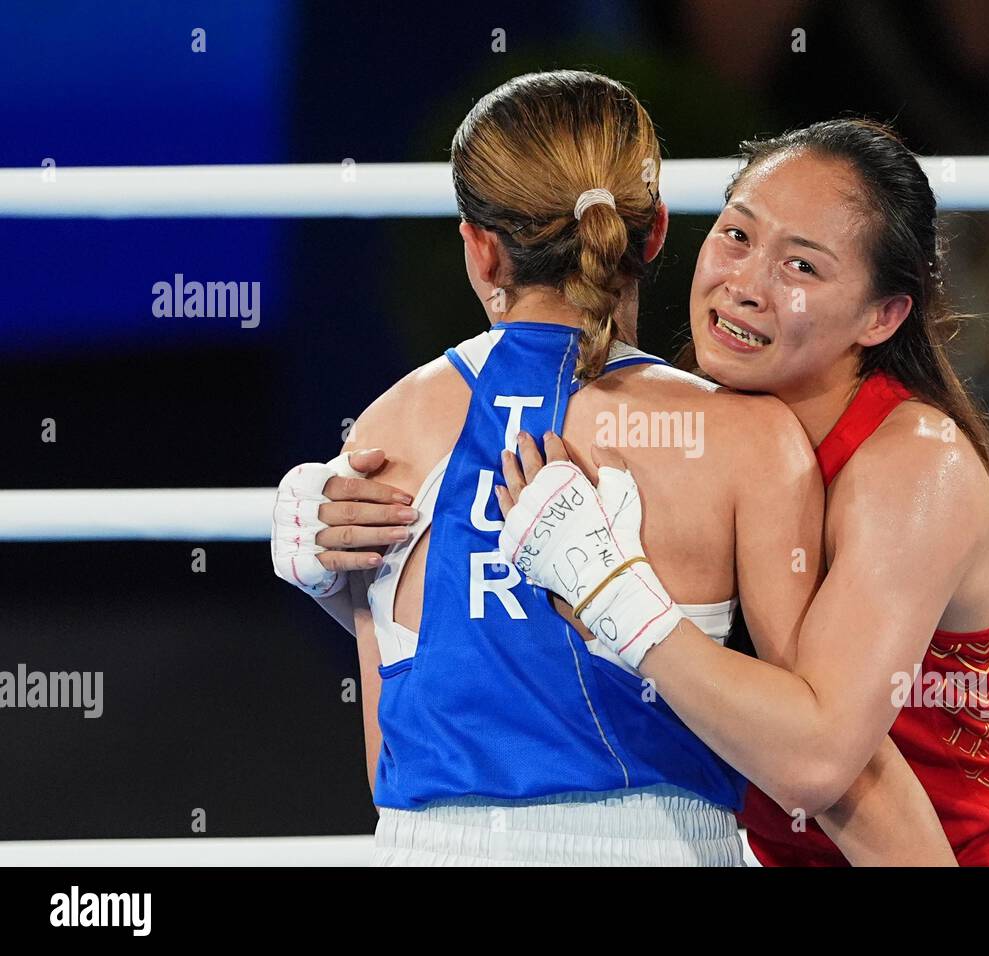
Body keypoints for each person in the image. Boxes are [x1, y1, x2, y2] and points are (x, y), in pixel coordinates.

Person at [271, 70, 952, 866]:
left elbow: (405, 746)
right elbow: (826, 761)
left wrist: (337, 587)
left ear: (480, 248)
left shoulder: (390, 427)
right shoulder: (744, 441)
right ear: (656, 230)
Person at [497, 118, 989, 866]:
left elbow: (819, 764)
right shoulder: (693, 421)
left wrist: (611, 593)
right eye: (738, 234)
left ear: (882, 315)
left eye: (801, 267)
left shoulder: (915, 467)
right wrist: (348, 529)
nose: (745, 285)